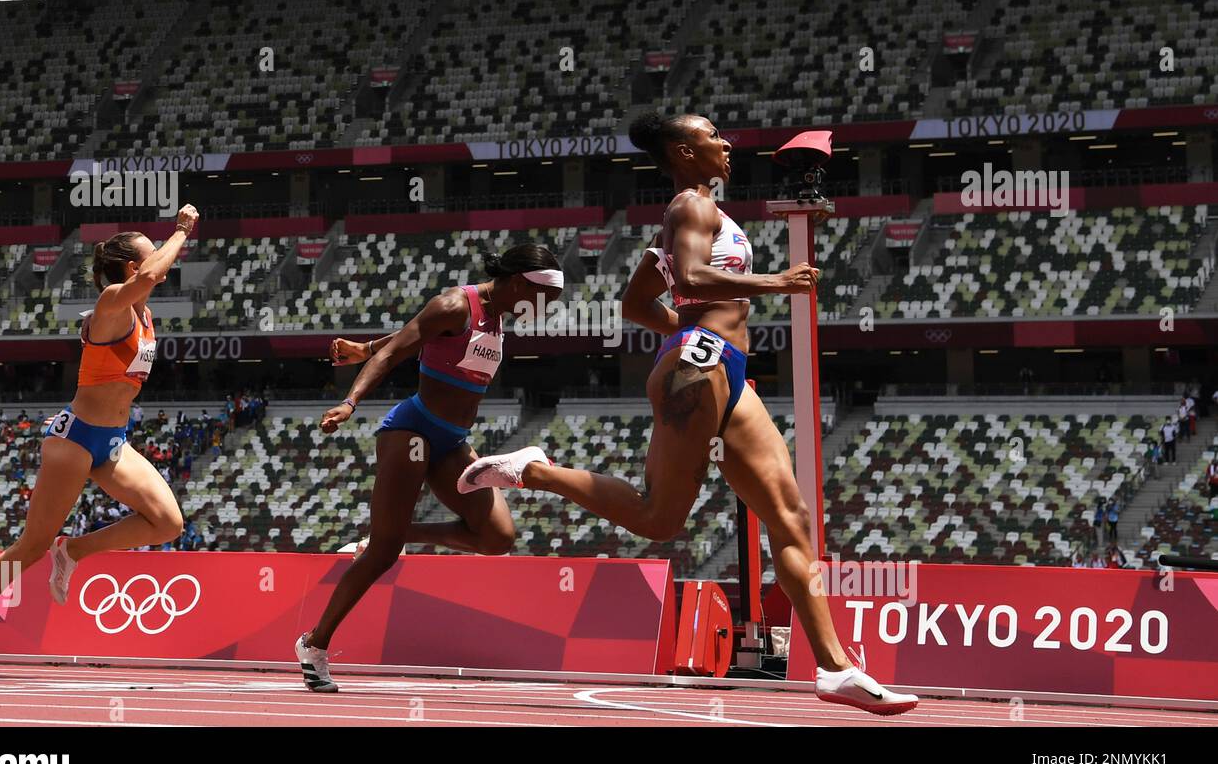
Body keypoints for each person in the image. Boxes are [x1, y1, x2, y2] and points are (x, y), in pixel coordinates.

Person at [459, 112, 916, 715]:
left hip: (722, 365)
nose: (726, 144)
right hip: (695, 373)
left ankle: (834, 669)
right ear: (684, 149)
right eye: (713, 137)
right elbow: (697, 279)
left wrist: (690, 330)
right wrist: (776, 284)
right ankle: (534, 470)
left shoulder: (697, 216)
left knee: (792, 515)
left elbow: (636, 300)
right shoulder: (689, 209)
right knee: (658, 519)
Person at [294, 243, 565, 694]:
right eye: (542, 301)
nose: (542, 312)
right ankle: (314, 644)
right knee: (381, 554)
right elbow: (397, 352)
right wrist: (349, 402)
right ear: (520, 283)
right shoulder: (456, 304)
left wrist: (364, 345)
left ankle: (403, 533)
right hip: (412, 431)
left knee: (498, 537)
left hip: (452, 441)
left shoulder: (497, 316)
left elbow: (411, 334)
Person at [0, 206, 199, 678]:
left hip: (113, 441)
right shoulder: (112, 304)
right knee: (31, 546)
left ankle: (75, 550)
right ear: (131, 268)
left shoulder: (143, 315)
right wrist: (181, 231)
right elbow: (150, 275)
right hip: (75, 439)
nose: (162, 261)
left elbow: (149, 280)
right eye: (151, 254)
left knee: (168, 522)